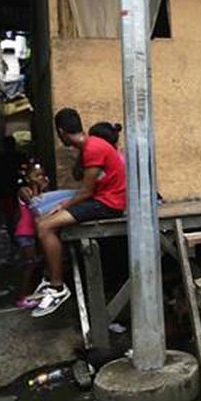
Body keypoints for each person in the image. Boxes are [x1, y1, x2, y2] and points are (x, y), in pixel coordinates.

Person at [31, 108, 127, 318]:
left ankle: (57, 287)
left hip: (108, 204)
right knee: (43, 218)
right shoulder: (89, 146)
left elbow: (86, 192)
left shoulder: (92, 148)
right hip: (101, 199)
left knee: (45, 226)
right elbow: (83, 183)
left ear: (61, 131)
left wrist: (63, 205)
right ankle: (51, 277)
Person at [13, 159, 48, 309]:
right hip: (25, 233)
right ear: (28, 178)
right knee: (30, 263)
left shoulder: (41, 192)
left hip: (34, 233)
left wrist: (44, 190)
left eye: (42, 175)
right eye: (36, 175)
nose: (40, 178)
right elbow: (35, 206)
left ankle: (34, 293)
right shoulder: (24, 191)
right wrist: (39, 189)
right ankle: (22, 297)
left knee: (37, 263)